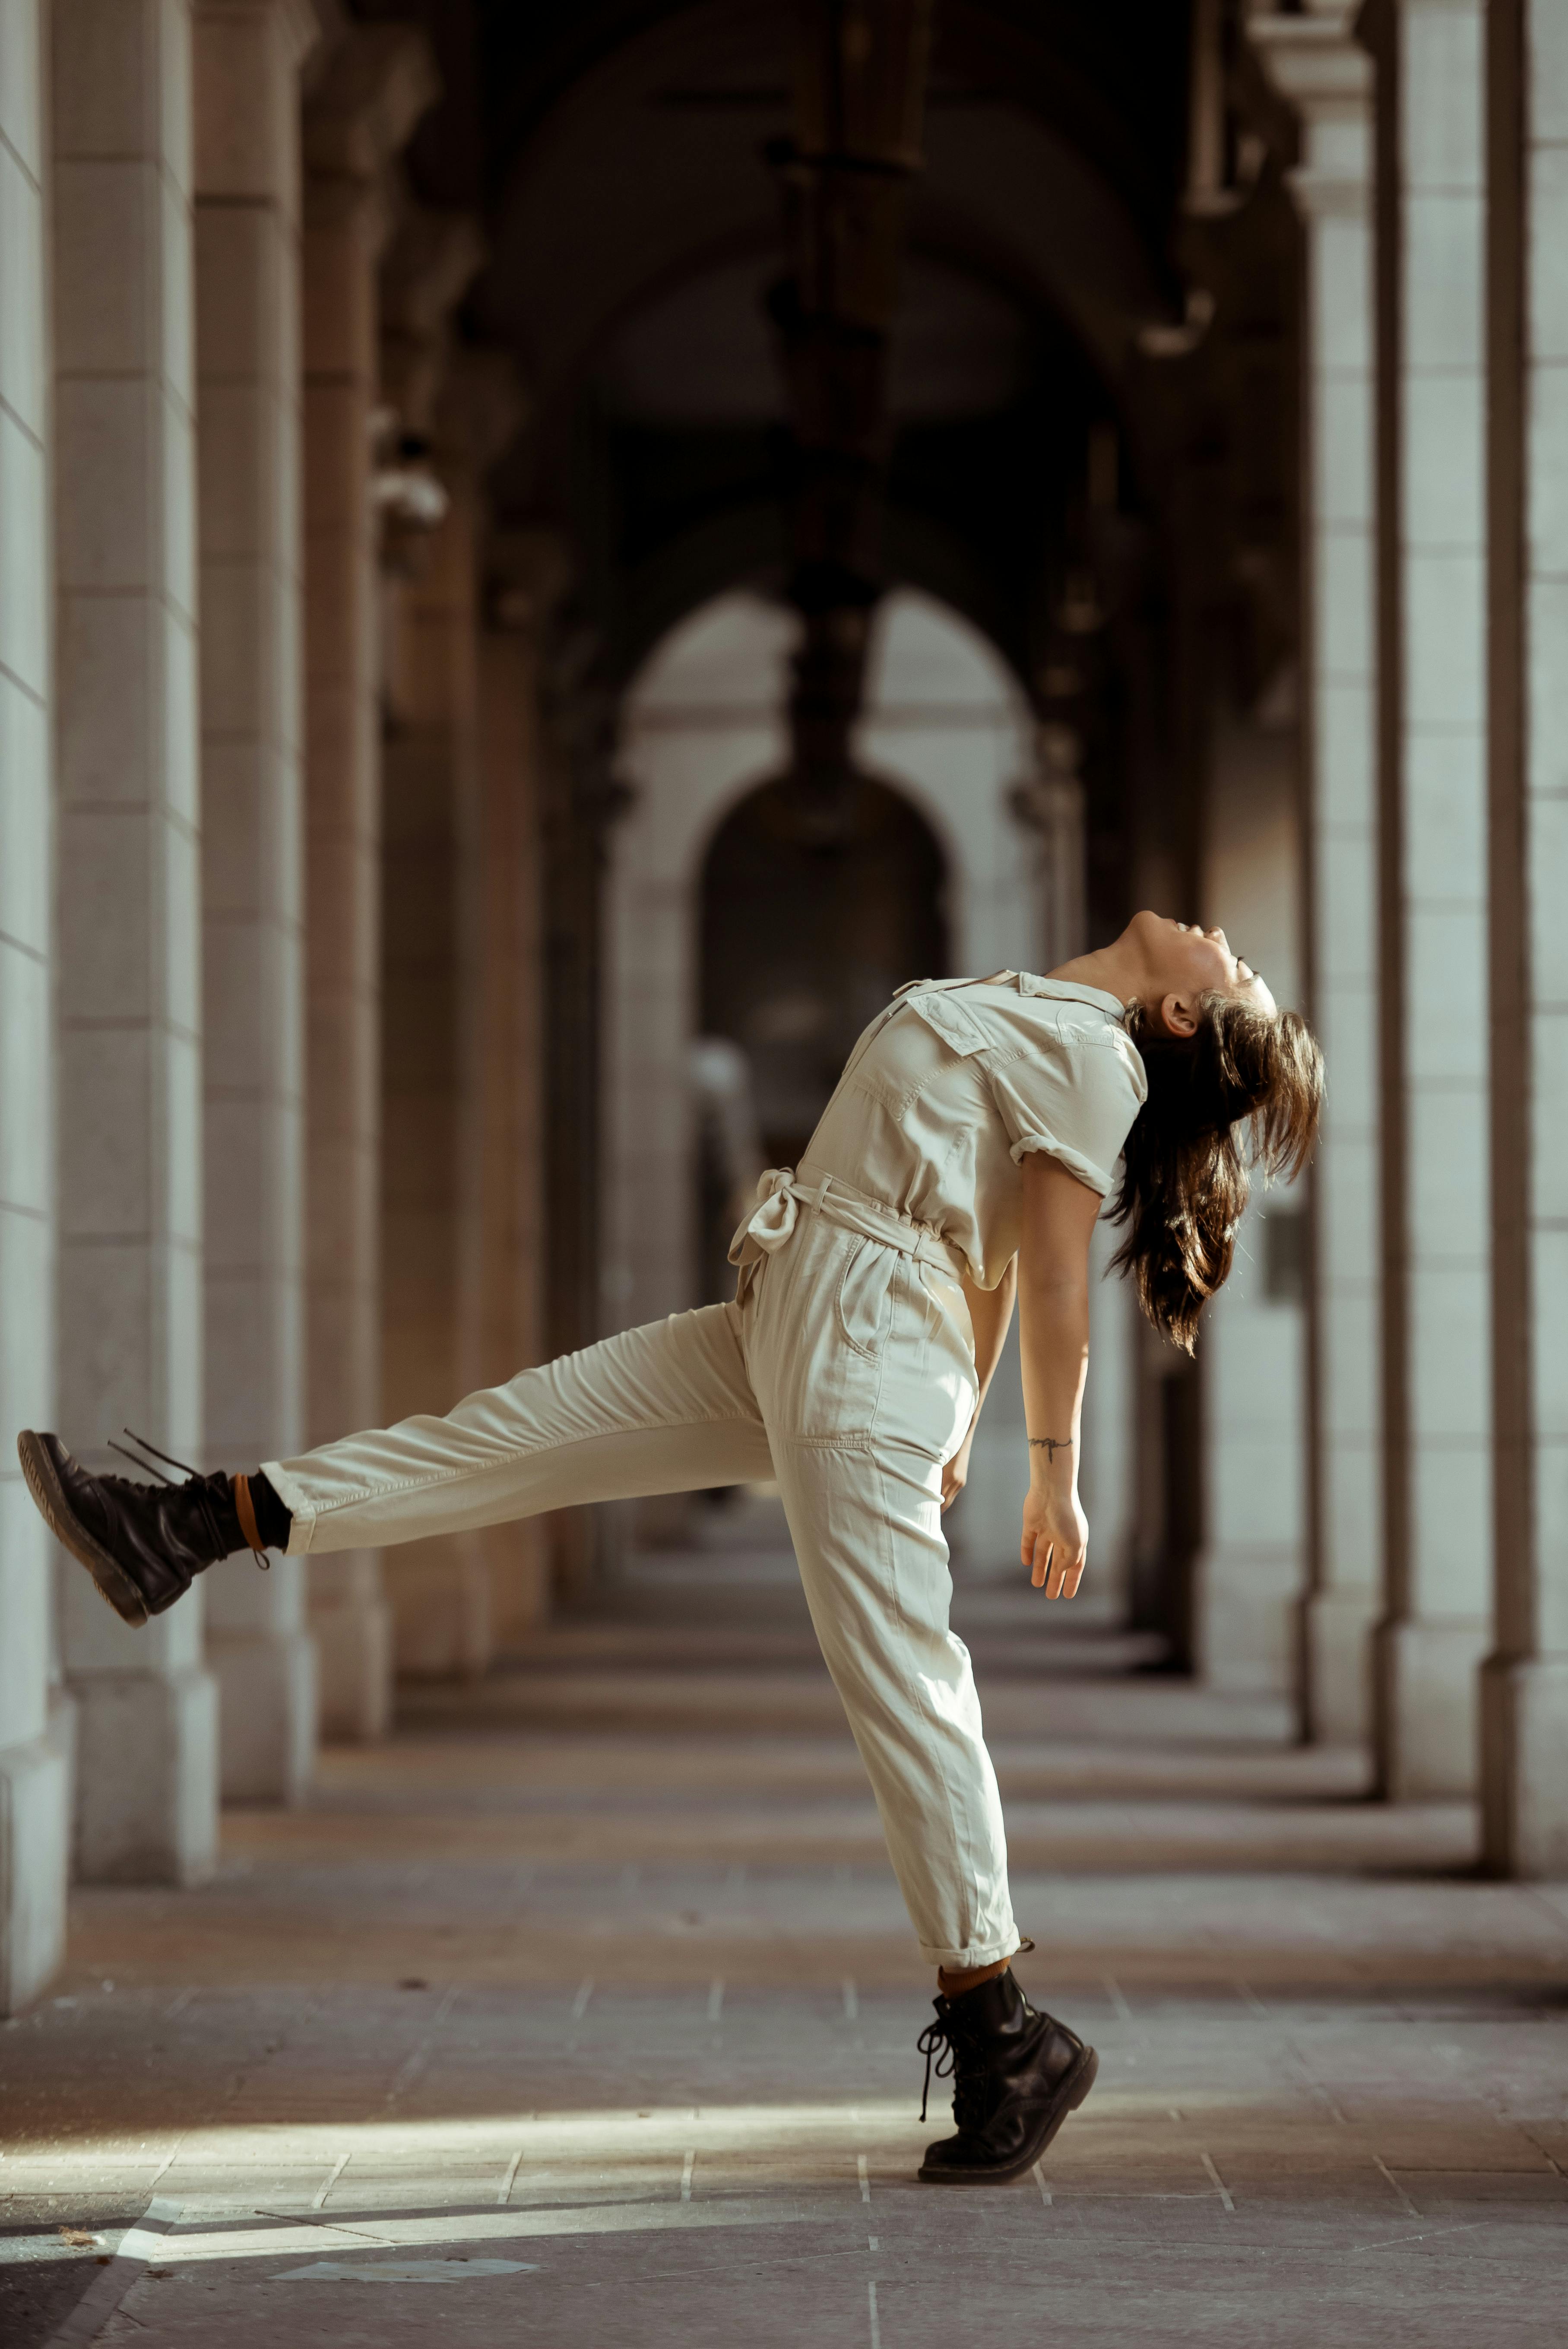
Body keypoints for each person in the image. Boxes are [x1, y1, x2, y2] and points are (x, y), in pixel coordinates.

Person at [18, 912, 1322, 2185]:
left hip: (866, 1347)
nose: (1228, 942)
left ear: (1179, 1012)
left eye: (1240, 972)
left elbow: (1049, 1282)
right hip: (795, 1308)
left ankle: (1003, 2037)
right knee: (520, 1430)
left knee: (908, 1688)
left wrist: (1053, 1476)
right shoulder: (1042, 1010)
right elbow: (992, 1247)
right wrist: (968, 1422)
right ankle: (194, 1524)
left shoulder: (1097, 1059)